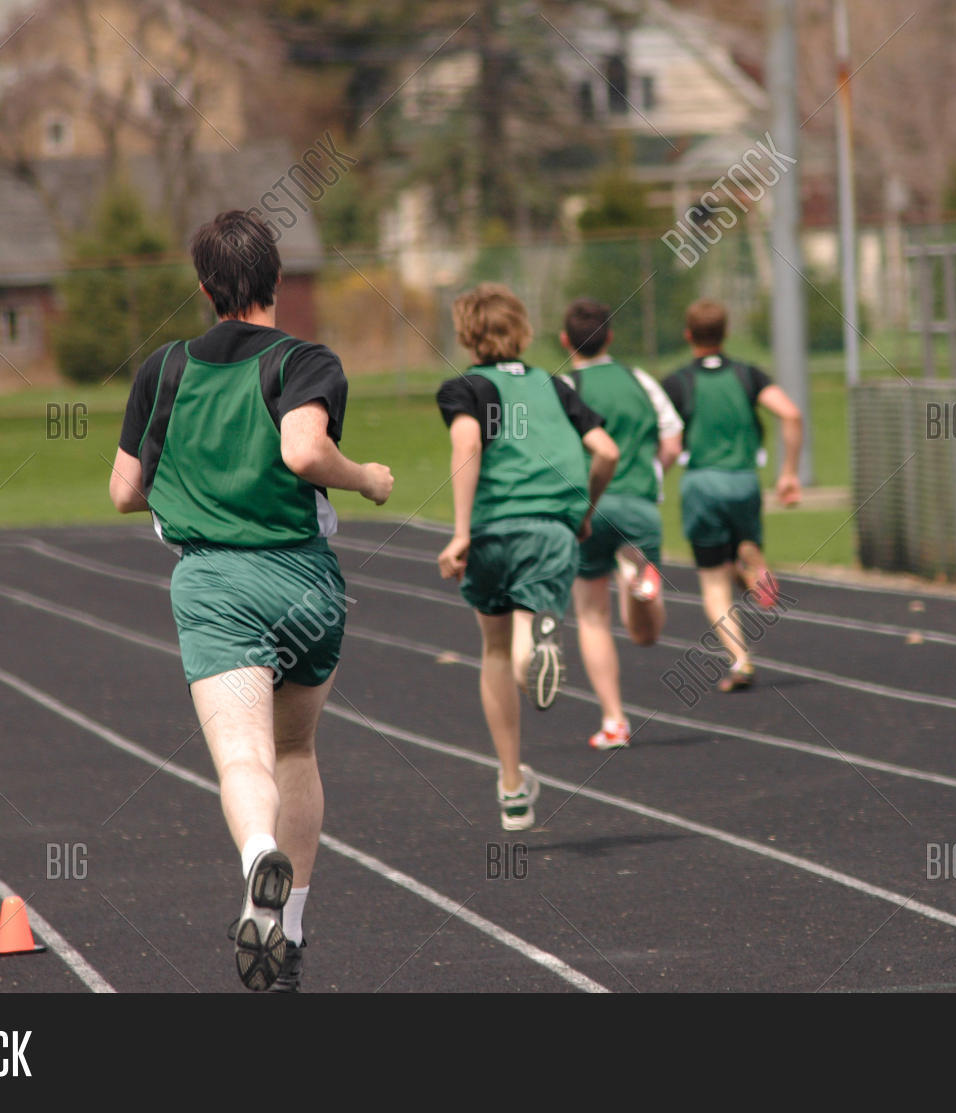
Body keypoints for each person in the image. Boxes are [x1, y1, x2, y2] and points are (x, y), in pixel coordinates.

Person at [108, 209, 394, 992]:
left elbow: (123, 491)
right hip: (305, 581)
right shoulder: (306, 361)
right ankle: (290, 931)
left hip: (216, 587)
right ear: (276, 280)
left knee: (245, 756)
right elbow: (305, 449)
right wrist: (366, 476)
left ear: (204, 289)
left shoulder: (163, 369)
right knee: (298, 750)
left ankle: (256, 856)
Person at [435, 283, 619, 829]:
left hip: (492, 530)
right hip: (552, 529)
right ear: (523, 330)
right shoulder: (555, 385)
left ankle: (512, 787)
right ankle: (536, 644)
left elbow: (467, 445)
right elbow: (606, 450)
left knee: (491, 652)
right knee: (530, 622)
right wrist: (585, 507)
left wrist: (461, 532)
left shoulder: (465, 388)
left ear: (468, 335)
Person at [557, 297, 683, 750]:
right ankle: (638, 584)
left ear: (564, 341)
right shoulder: (640, 379)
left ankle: (614, 720)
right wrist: (654, 474)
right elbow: (672, 439)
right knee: (646, 634)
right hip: (640, 502)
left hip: (587, 506)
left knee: (592, 615)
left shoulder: (562, 385)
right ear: (610, 336)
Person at [662, 298, 802, 693]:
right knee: (741, 545)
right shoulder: (748, 375)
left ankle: (740, 660)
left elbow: (662, 436)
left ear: (688, 335)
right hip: (744, 482)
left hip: (702, 485)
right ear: (725, 334)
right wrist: (788, 473)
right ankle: (748, 557)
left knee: (712, 583)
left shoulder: (678, 382)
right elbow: (790, 414)